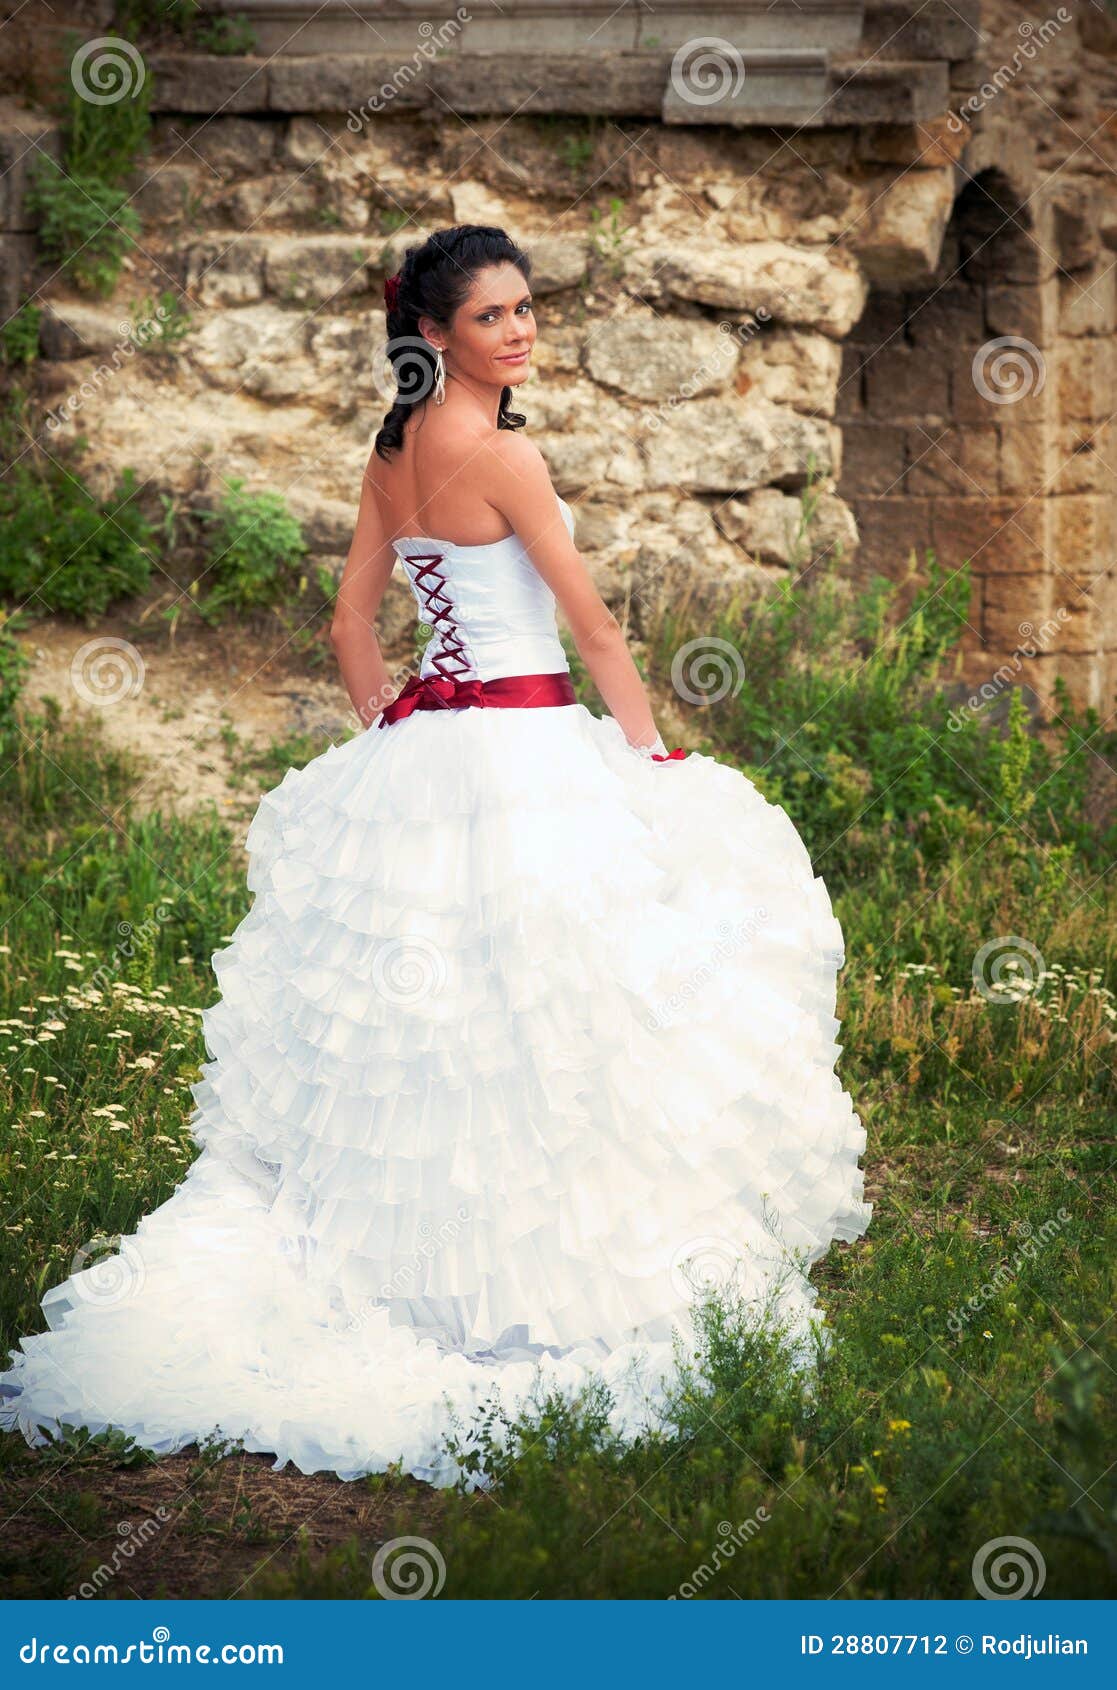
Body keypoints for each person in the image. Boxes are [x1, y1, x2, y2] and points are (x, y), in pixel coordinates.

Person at [0, 225, 871, 1489]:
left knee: (425, 1022)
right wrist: (650, 762)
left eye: (525, 309)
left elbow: (352, 620)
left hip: (428, 756)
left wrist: (391, 739)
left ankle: (389, 1262)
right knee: (554, 1008)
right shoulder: (504, 451)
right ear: (434, 334)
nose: (518, 331)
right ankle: (538, 1272)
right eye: (492, 317)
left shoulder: (393, 450)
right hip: (523, 749)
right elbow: (595, 626)